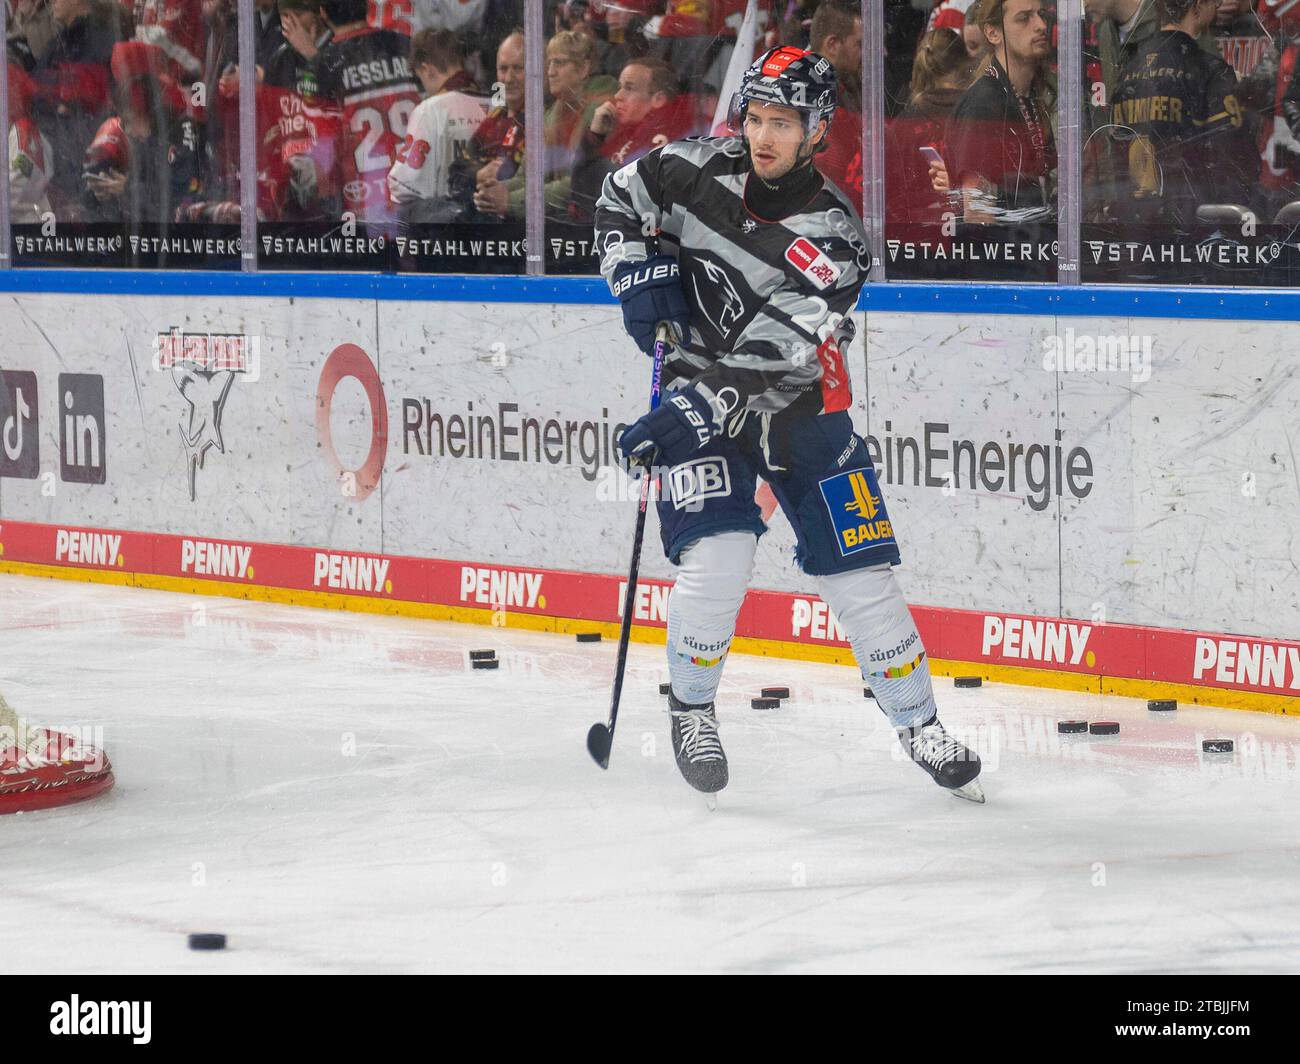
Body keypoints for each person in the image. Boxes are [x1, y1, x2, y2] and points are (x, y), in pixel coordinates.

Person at [594, 45, 984, 802]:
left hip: (803, 410)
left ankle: (919, 723)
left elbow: (779, 351)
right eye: (756, 118)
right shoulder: (687, 167)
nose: (764, 135)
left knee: (862, 576)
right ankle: (693, 709)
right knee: (719, 557)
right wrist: (637, 278)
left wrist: (687, 412)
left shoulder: (835, 240)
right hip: (698, 390)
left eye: (784, 121)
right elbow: (618, 199)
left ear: (817, 129)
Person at [1108, 0, 1253, 225]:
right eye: (1213, 1)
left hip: (1137, 226)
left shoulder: (1125, 72)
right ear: (1197, 6)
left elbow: (1115, 157)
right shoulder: (1210, 70)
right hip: (1194, 226)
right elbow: (1234, 161)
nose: (1218, 6)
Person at [946, 0, 1056, 224]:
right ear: (993, 33)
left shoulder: (1031, 94)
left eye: (1041, 15)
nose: (1041, 25)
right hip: (1005, 254)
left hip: (1033, 246)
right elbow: (978, 215)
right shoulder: (983, 105)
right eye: (1024, 18)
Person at [312, 0, 420, 224]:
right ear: (369, 7)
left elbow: (324, 149)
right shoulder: (405, 45)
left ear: (323, 14)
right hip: (417, 193)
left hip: (365, 204)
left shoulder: (324, 65)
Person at [388, 28, 488, 222]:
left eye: (420, 77)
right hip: (494, 231)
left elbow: (404, 187)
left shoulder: (429, 110)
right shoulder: (497, 106)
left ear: (427, 69)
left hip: (449, 234)